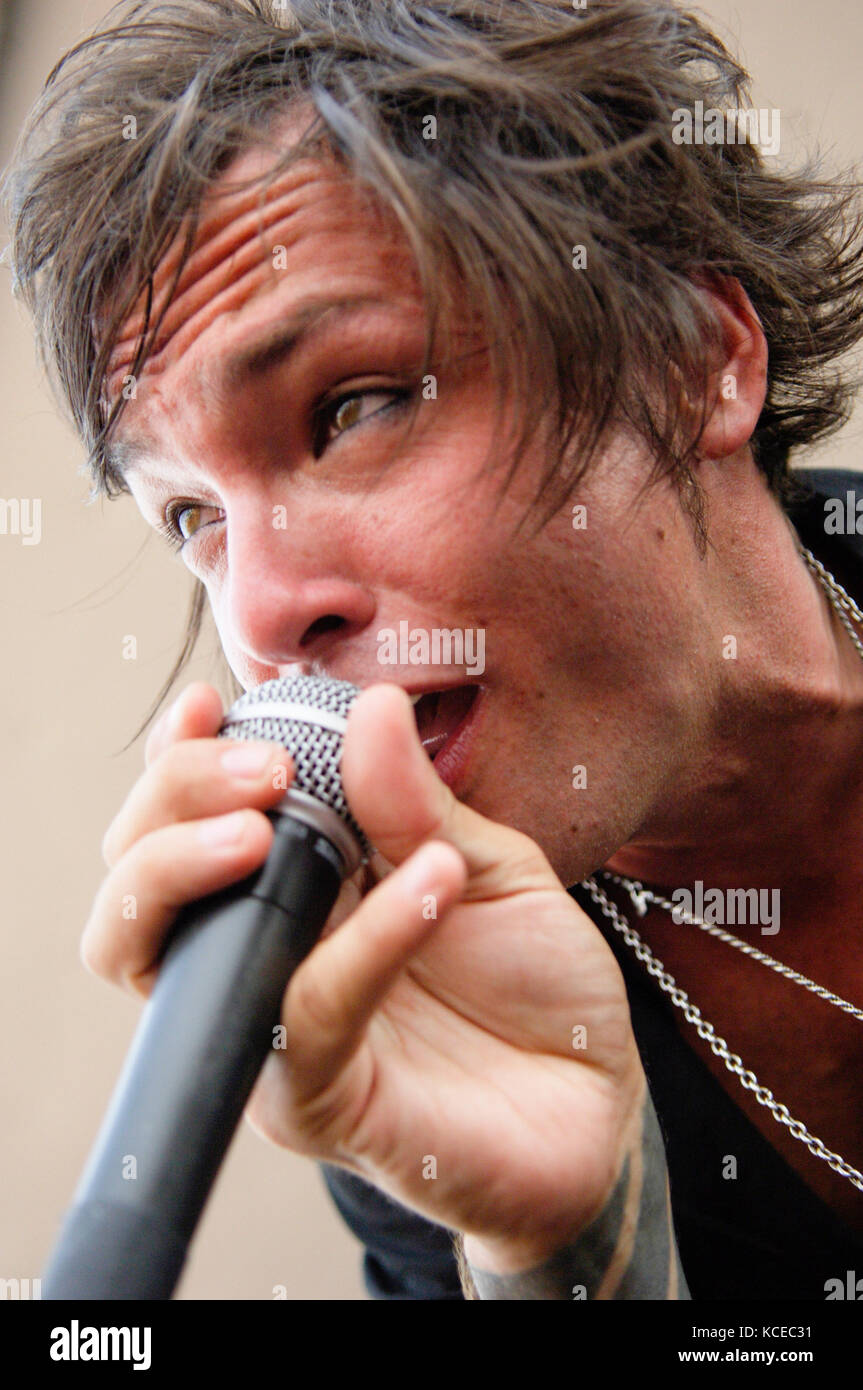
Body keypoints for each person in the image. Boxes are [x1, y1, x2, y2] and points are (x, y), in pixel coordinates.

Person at [4, 0, 863, 1301]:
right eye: (194, 517)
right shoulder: (424, 992)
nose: (261, 619)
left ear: (698, 354)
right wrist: (559, 1259)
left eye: (351, 406)